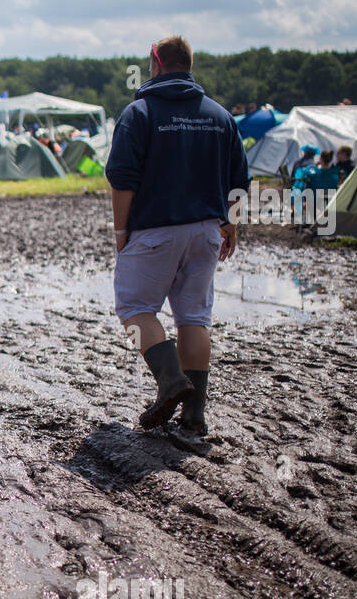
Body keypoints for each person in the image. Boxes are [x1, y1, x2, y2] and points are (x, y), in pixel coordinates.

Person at [105, 35, 249, 436]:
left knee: (134, 309)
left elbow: (121, 178)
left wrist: (121, 231)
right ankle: (194, 415)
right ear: (189, 64)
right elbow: (240, 180)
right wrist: (231, 224)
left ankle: (171, 382)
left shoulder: (139, 112)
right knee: (193, 319)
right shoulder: (220, 116)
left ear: (155, 63)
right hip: (206, 231)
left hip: (154, 229)